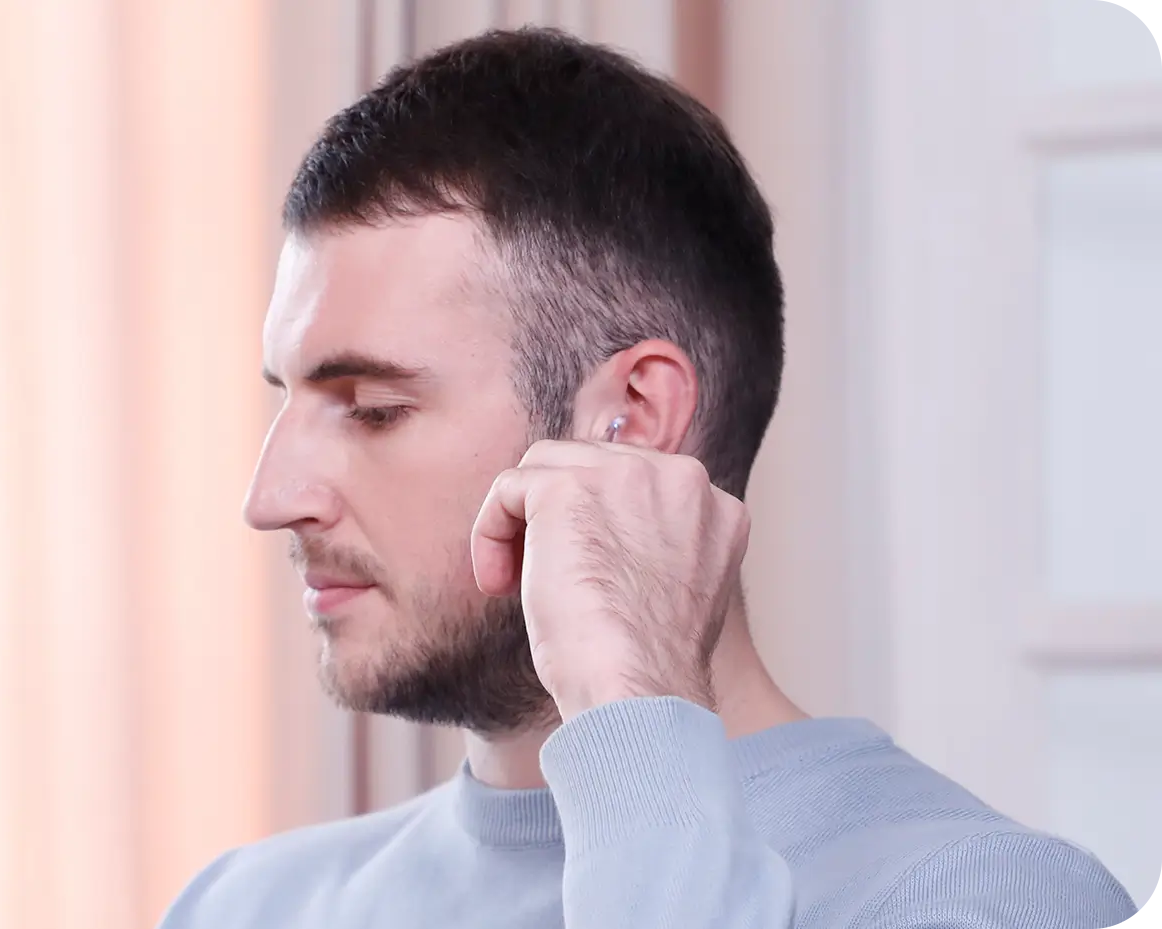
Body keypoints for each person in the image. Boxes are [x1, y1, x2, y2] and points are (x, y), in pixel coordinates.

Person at [157, 27, 1138, 929]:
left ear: (630, 417)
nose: (271, 498)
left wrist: (631, 697)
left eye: (374, 408)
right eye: (286, 399)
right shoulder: (240, 905)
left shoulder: (984, 895)